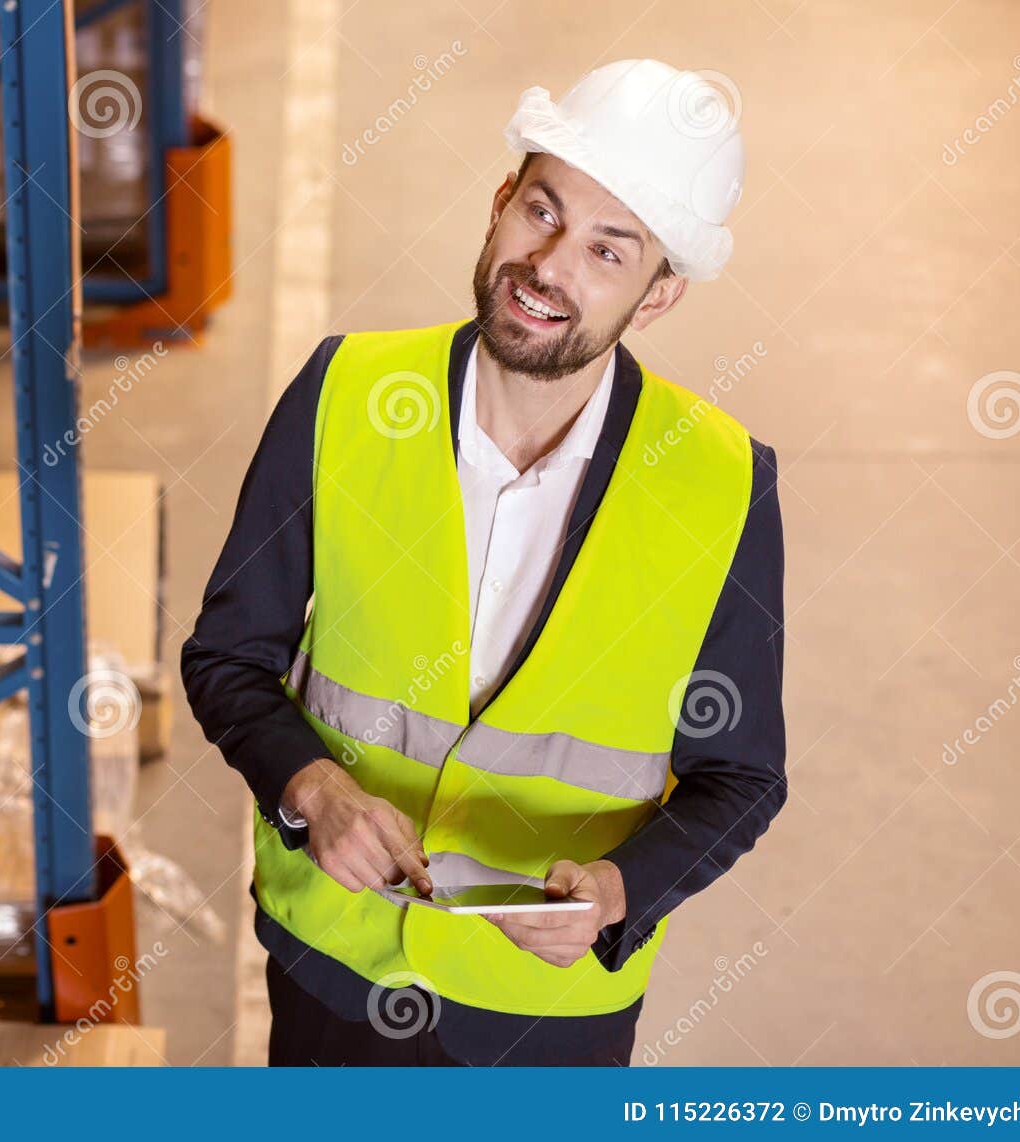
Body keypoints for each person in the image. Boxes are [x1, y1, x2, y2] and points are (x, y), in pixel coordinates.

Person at [182, 59, 786, 1066]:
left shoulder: (719, 483)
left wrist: (621, 890)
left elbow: (742, 774)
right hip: (334, 962)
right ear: (500, 203)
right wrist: (315, 792)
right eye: (541, 212)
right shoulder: (346, 393)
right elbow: (226, 658)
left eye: (607, 250)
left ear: (657, 296)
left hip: (542, 1011)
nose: (551, 265)